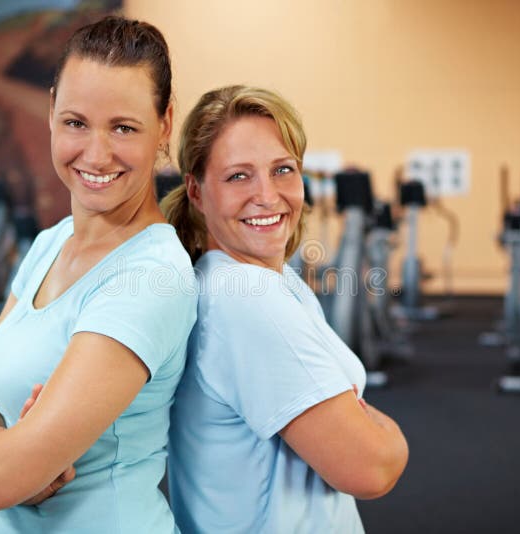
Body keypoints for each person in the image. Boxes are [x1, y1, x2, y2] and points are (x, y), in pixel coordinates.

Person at [0, 16, 197, 533]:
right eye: (76, 122)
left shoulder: (151, 278)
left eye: (123, 127)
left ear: (165, 124)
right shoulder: (50, 243)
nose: (96, 154)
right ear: (51, 108)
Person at [162, 85, 409, 533]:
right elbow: (372, 468)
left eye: (283, 170)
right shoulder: (246, 298)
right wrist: (388, 435)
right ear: (196, 192)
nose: (268, 195)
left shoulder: (268, 284)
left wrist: (354, 417)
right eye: (239, 176)